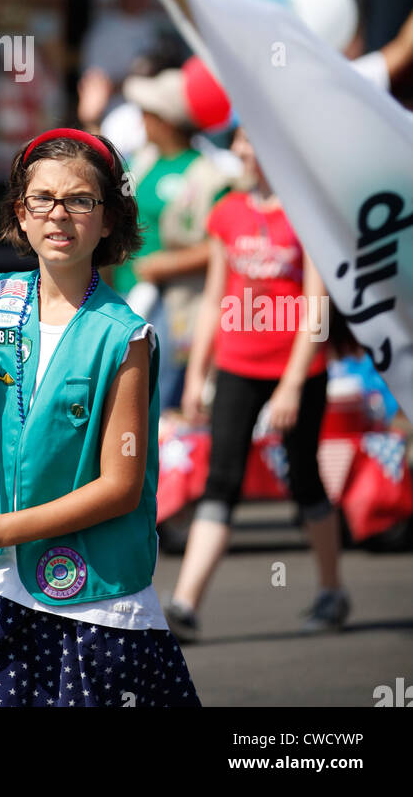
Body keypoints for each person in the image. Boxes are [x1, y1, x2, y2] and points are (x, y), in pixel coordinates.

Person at [0, 126, 201, 708]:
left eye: (80, 200)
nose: (58, 215)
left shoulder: (124, 336)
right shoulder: (3, 302)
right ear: (21, 214)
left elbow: (119, 488)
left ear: (109, 218)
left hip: (92, 601)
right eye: (42, 199)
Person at [164, 129, 349, 641]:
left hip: (299, 368)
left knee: (305, 478)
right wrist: (197, 373)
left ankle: (332, 591)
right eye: (240, 143)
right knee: (220, 480)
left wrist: (291, 385)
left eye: (251, 141)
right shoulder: (227, 212)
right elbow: (214, 299)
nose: (243, 151)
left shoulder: (305, 213)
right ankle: (185, 604)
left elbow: (317, 307)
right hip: (238, 366)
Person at [104, 68, 233, 410]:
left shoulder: (209, 174)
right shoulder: (142, 162)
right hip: (128, 296)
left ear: (167, 121)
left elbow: (224, 243)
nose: (141, 120)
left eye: (147, 113)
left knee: (157, 399)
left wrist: (170, 264)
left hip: (175, 305)